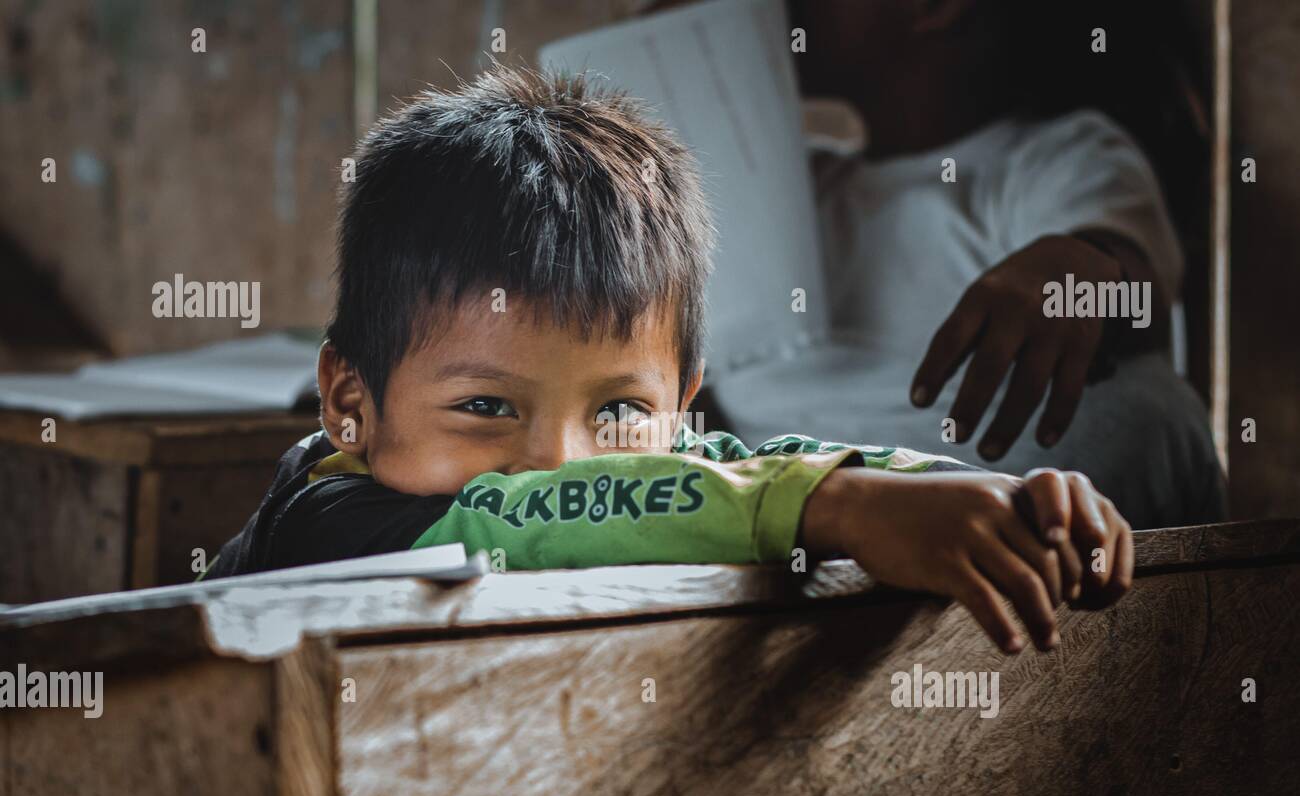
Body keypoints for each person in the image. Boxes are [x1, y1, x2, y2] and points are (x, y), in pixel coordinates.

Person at [205, 65, 1132, 655]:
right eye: (487, 408)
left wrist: (975, 496)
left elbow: (717, 471)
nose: (562, 464)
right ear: (348, 402)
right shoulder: (326, 521)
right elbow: (528, 517)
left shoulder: (658, 465)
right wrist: (836, 504)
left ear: (685, 402)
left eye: (617, 414)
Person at [708, 0, 1226, 530]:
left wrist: (1076, 274)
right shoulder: (799, 184)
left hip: (970, 503)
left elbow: (1139, 297)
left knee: (1149, 414)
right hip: (789, 507)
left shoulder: (1050, 161)